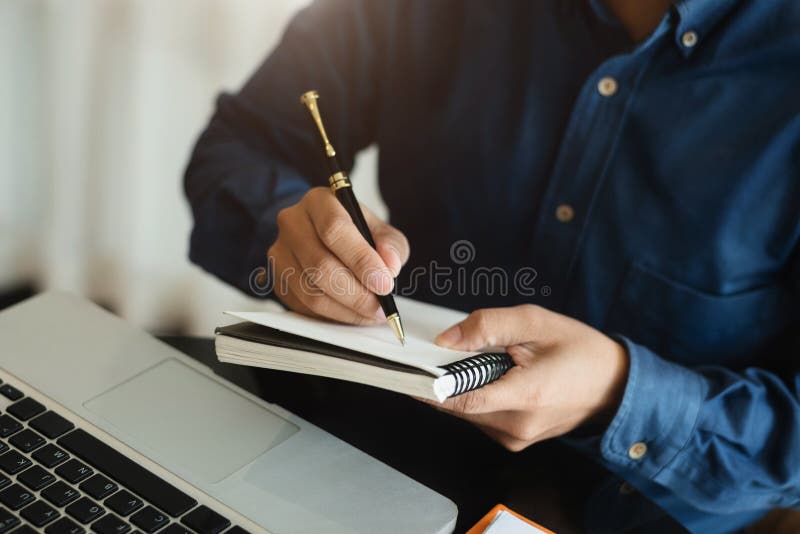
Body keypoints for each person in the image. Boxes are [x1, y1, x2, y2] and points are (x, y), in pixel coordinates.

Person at [184, 0, 800, 531]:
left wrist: (619, 394)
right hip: (353, 457)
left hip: (637, 512)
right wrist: (290, 236)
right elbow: (237, 147)